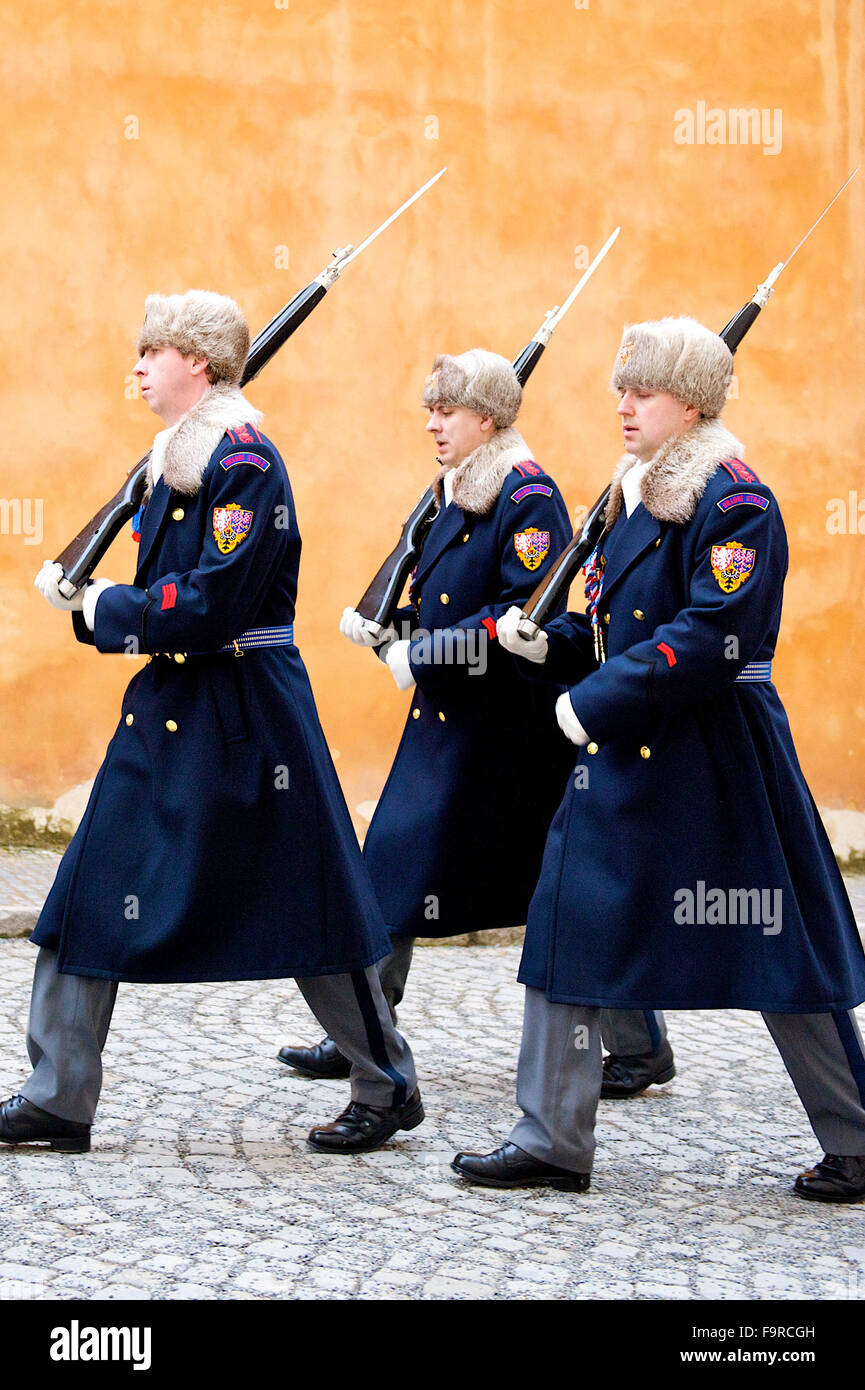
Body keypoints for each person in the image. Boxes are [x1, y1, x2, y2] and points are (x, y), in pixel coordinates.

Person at [452, 316, 865, 1202]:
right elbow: (608, 620)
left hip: (718, 751)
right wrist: (549, 643)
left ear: (690, 402)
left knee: (774, 943)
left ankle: (858, 1138)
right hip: (628, 747)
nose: (622, 403)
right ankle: (551, 1136)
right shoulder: (634, 491)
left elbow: (713, 632)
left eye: (640, 390)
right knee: (566, 919)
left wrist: (591, 699)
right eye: (621, 387)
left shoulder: (734, 500)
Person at [2, 290, 421, 1156]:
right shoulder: (176, 458)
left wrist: (110, 609)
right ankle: (57, 1095)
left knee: (311, 904)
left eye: (152, 351)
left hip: (248, 714)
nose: (138, 367)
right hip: (167, 711)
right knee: (82, 895)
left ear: (197, 362)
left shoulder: (246, 463)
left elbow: (217, 602)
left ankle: (387, 1083)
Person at [277, 349, 576, 1079]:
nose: (432, 424)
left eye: (445, 411)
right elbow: (445, 594)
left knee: (558, 883)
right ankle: (365, 1032)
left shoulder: (526, 495)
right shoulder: (457, 488)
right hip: (451, 717)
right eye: (429, 410)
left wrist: (426, 652)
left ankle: (637, 1045)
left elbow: (522, 612)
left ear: (487, 418)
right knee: (391, 866)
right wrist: (395, 623)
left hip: (506, 724)